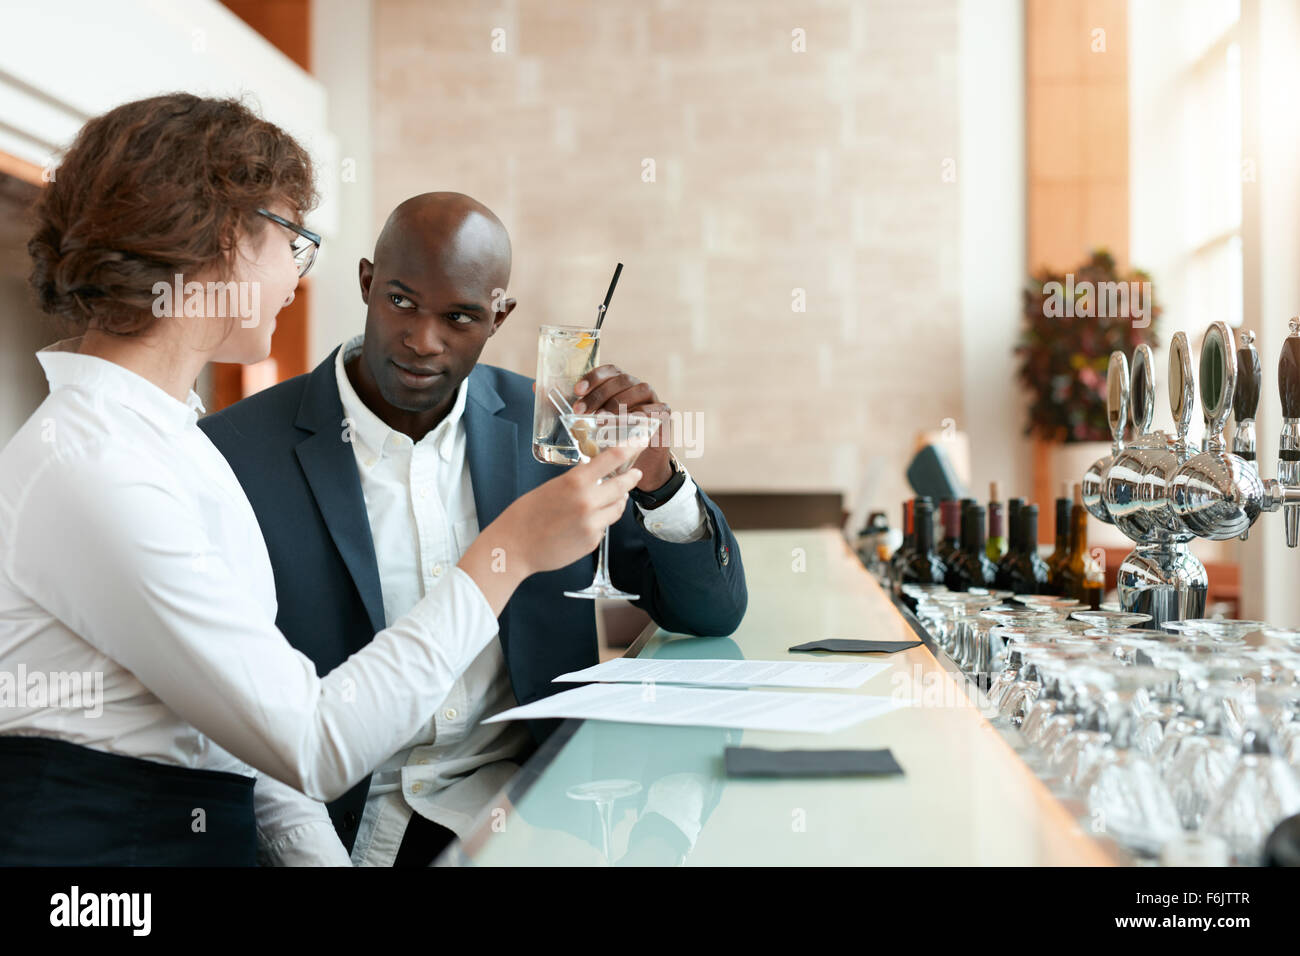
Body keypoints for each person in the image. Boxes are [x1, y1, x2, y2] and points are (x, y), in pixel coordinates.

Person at [0, 95, 644, 866]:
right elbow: (314, 740)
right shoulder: (97, 470)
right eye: (293, 240)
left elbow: (250, 745)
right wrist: (508, 553)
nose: (298, 276)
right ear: (221, 242)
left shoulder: (173, 444)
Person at [198, 192, 747, 865]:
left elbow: (710, 611)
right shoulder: (234, 453)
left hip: (531, 816)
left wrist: (660, 480)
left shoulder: (551, 434)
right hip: (342, 828)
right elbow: (228, 717)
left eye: (459, 317)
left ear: (499, 316)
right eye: (401, 301)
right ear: (367, 282)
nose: (423, 340)